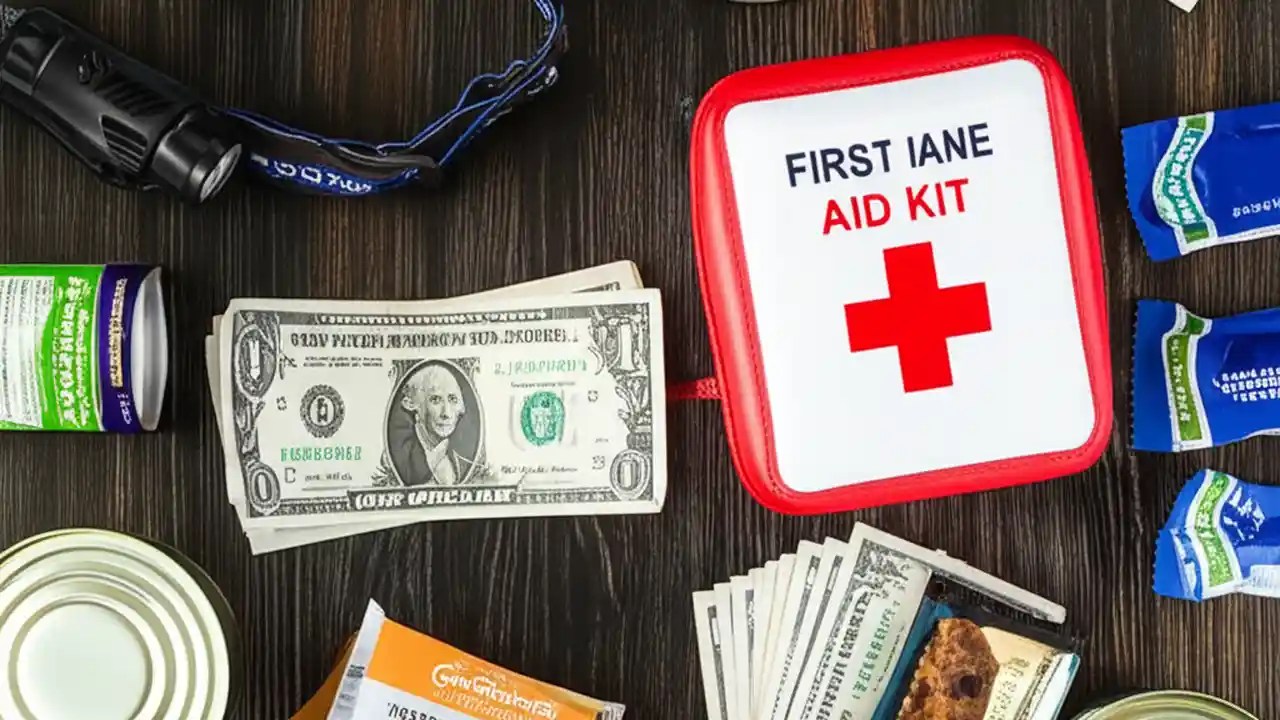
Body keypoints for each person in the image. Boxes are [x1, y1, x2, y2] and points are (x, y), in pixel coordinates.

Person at [388, 362, 480, 486]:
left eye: (453, 399)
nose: (446, 413)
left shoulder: (462, 459)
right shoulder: (403, 457)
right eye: (435, 400)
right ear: (410, 403)